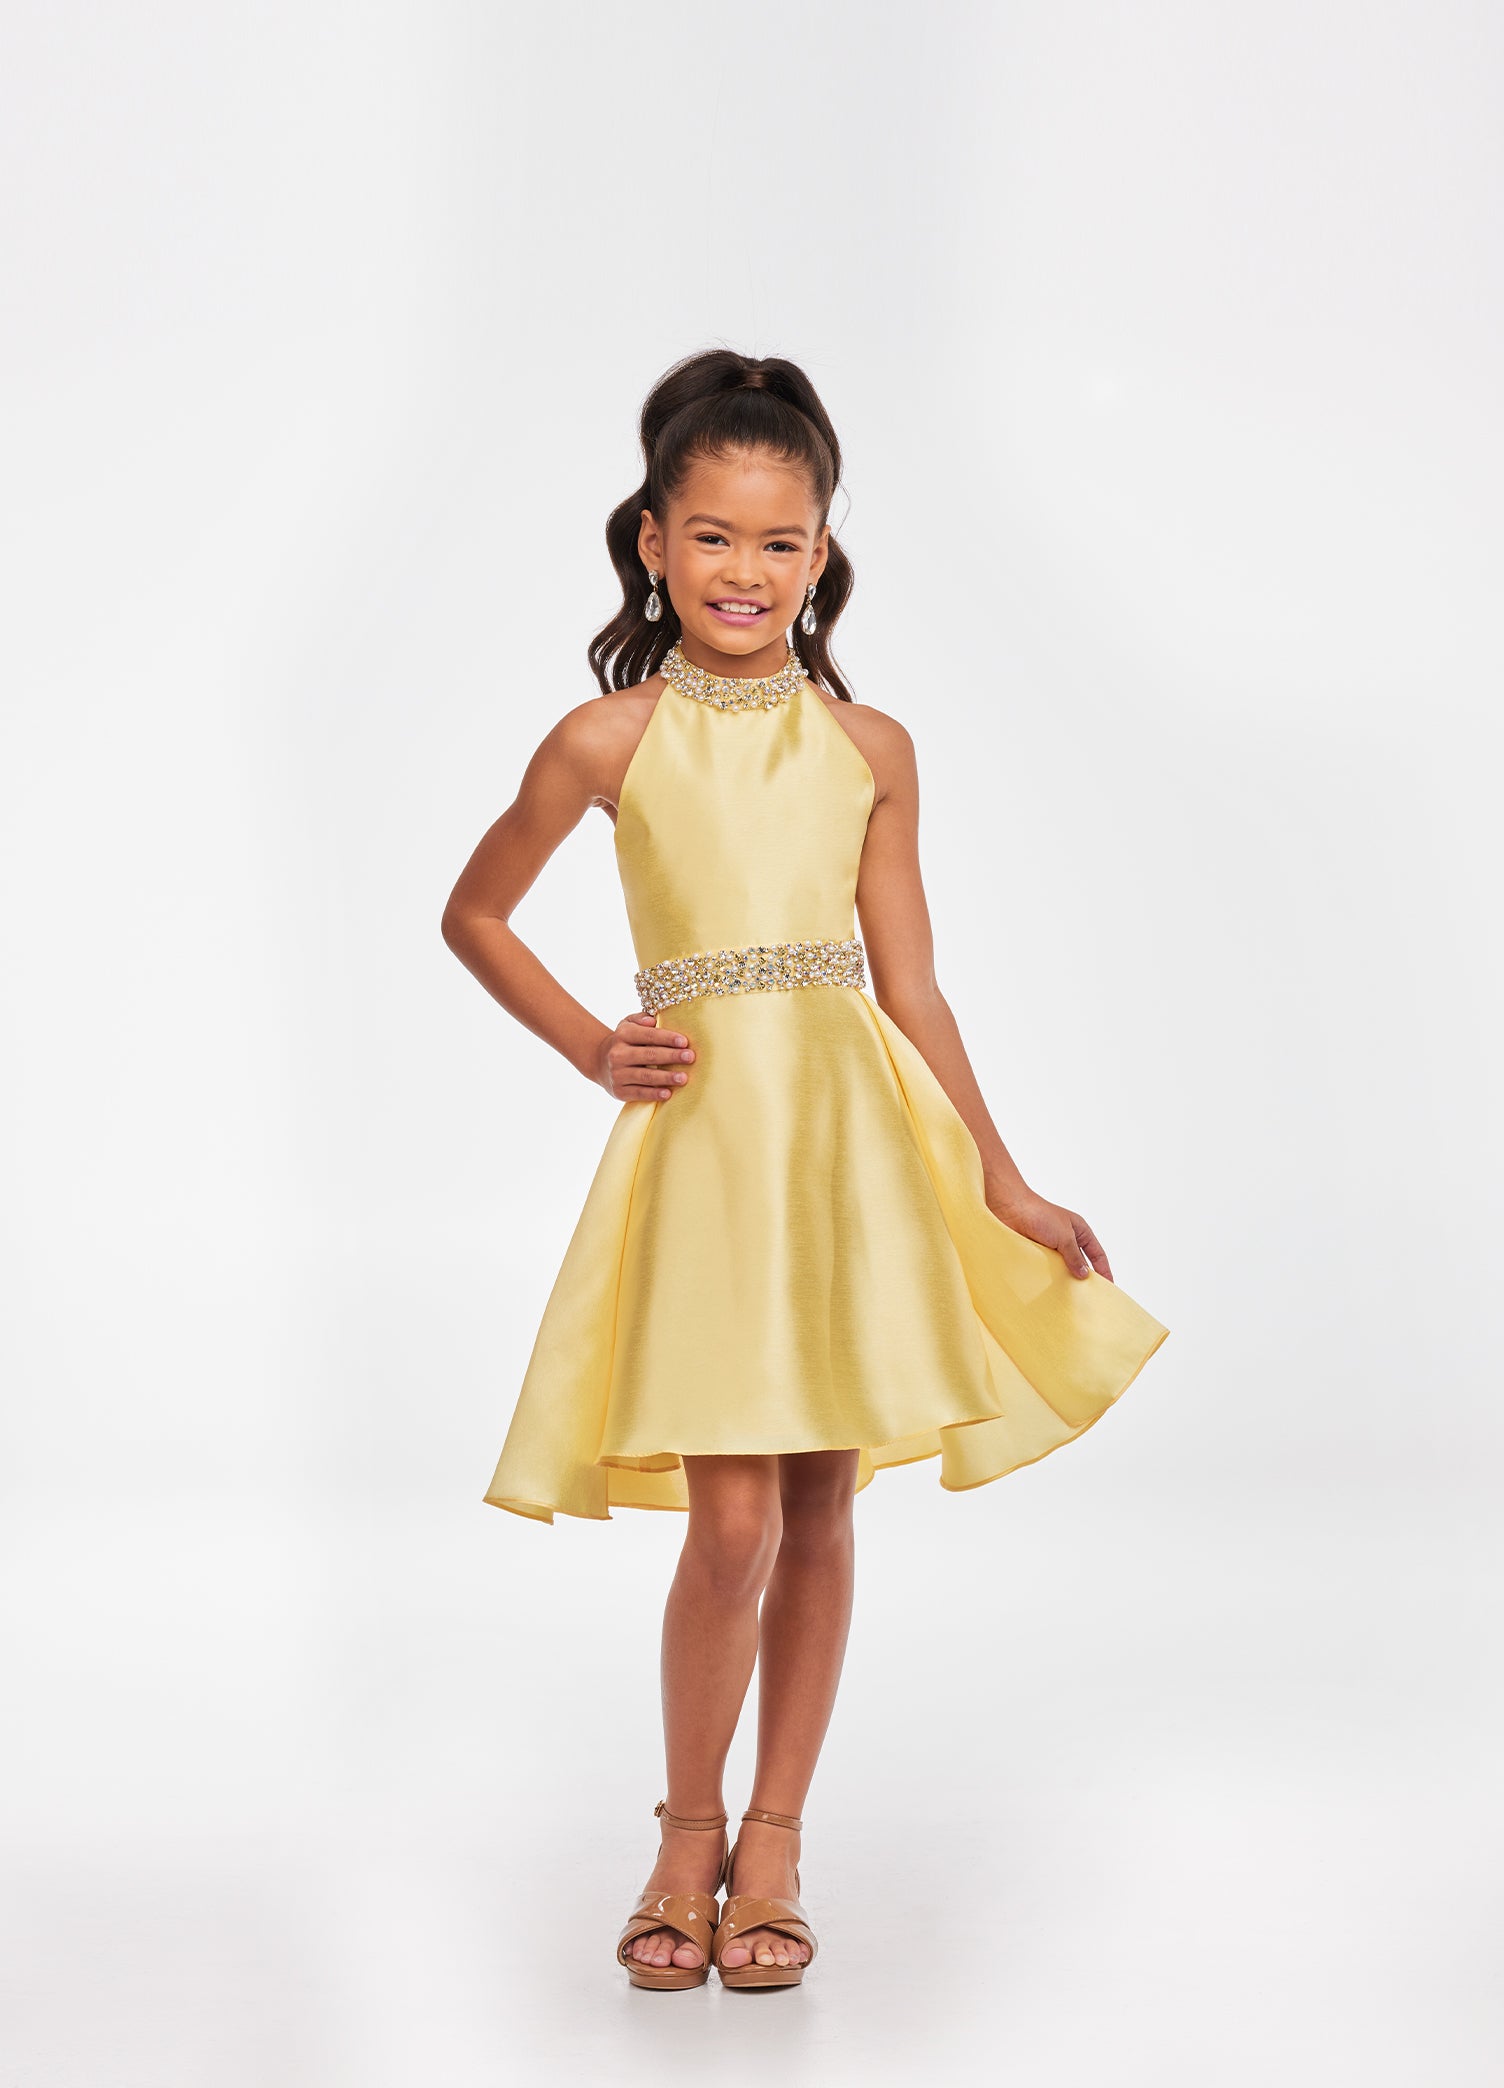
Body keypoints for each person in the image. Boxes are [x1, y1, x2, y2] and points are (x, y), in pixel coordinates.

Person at [440, 348, 1170, 1991]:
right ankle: (684, 1834)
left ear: (823, 553)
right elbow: (474, 912)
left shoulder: (871, 745)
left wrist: (1003, 1179)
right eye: (712, 536)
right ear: (651, 541)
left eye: (781, 542)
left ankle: (773, 1844)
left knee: (824, 1505)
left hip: (849, 1140)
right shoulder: (608, 738)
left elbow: (915, 989)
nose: (745, 571)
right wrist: (590, 1044)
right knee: (733, 1519)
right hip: (712, 1146)